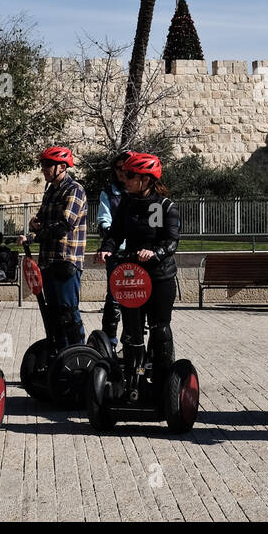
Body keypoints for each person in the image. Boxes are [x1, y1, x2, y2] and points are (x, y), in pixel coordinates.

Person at [94, 152, 181, 377]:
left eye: (130, 175)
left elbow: (170, 241)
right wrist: (107, 248)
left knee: (159, 329)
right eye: (124, 173)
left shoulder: (163, 206)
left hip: (159, 276)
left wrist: (155, 252)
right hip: (133, 275)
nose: (125, 178)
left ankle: (162, 379)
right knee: (132, 331)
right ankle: (134, 376)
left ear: (146, 179)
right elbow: (116, 232)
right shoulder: (127, 203)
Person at [25, 145, 88, 349]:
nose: (43, 169)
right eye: (42, 164)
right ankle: (60, 355)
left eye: (47, 165)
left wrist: (36, 236)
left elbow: (64, 225)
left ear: (62, 167)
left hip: (66, 260)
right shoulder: (51, 190)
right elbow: (41, 219)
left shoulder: (75, 189)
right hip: (48, 260)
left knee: (67, 313)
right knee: (53, 314)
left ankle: (79, 353)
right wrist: (34, 225)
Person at [95, 151, 133, 348]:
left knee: (136, 298)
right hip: (118, 253)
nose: (121, 172)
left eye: (125, 168)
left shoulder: (140, 193)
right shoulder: (109, 193)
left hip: (138, 255)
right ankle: (108, 343)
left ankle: (131, 342)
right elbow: (104, 220)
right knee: (115, 297)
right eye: (117, 168)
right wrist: (112, 237)